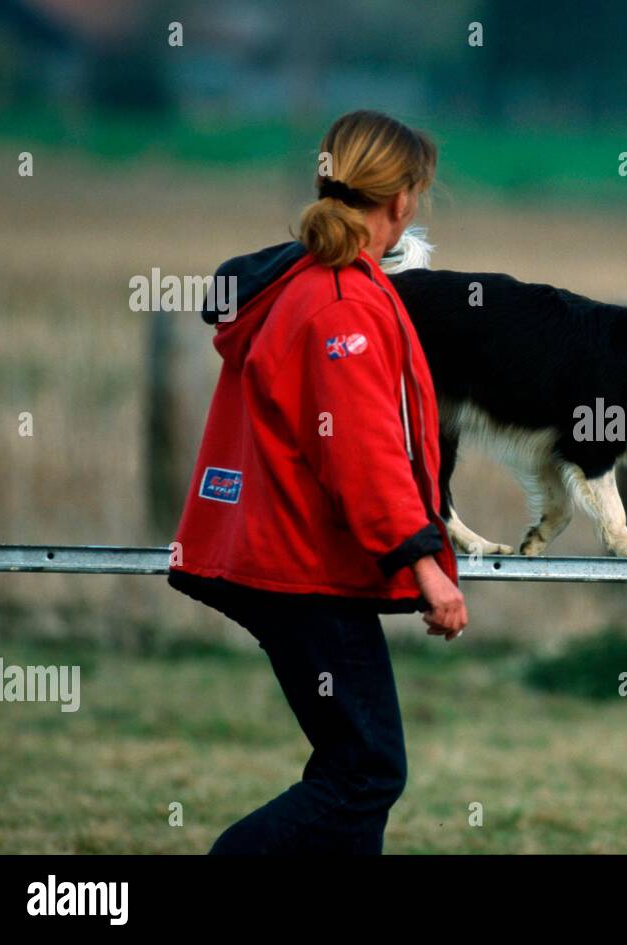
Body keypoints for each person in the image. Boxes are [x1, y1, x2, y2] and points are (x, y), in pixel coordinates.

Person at [167, 110, 466, 854]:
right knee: (364, 772)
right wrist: (424, 563)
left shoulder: (302, 283)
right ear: (401, 200)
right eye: (419, 191)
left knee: (354, 772)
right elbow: (362, 456)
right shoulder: (341, 303)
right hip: (299, 566)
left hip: (277, 555)